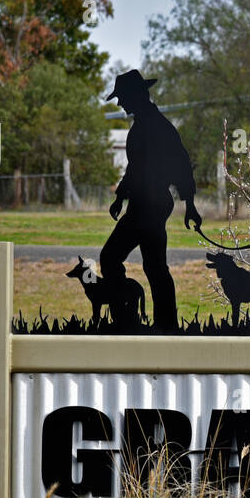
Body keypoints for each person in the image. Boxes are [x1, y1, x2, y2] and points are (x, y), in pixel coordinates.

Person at [100, 70, 201, 330]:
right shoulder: (146, 124)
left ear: (135, 95)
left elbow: (181, 165)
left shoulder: (157, 126)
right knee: (155, 267)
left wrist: (190, 204)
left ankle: (128, 319)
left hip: (150, 205)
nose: (120, 103)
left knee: (112, 258)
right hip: (146, 203)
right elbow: (135, 168)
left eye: (122, 97)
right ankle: (163, 325)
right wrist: (121, 197)